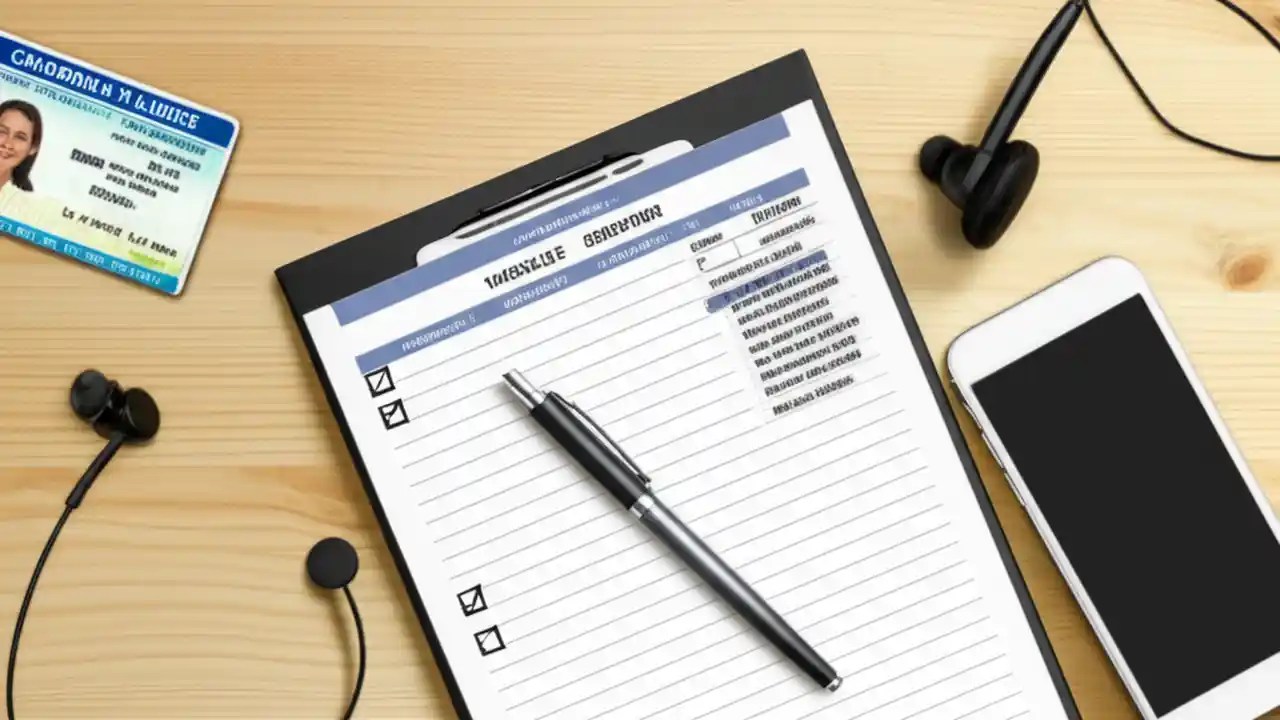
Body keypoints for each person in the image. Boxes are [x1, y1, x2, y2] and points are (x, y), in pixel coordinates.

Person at [0, 100, 42, 192]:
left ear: (33, 148)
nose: (7, 144)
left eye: (20, 137)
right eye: (2, 131)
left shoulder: (25, 199)